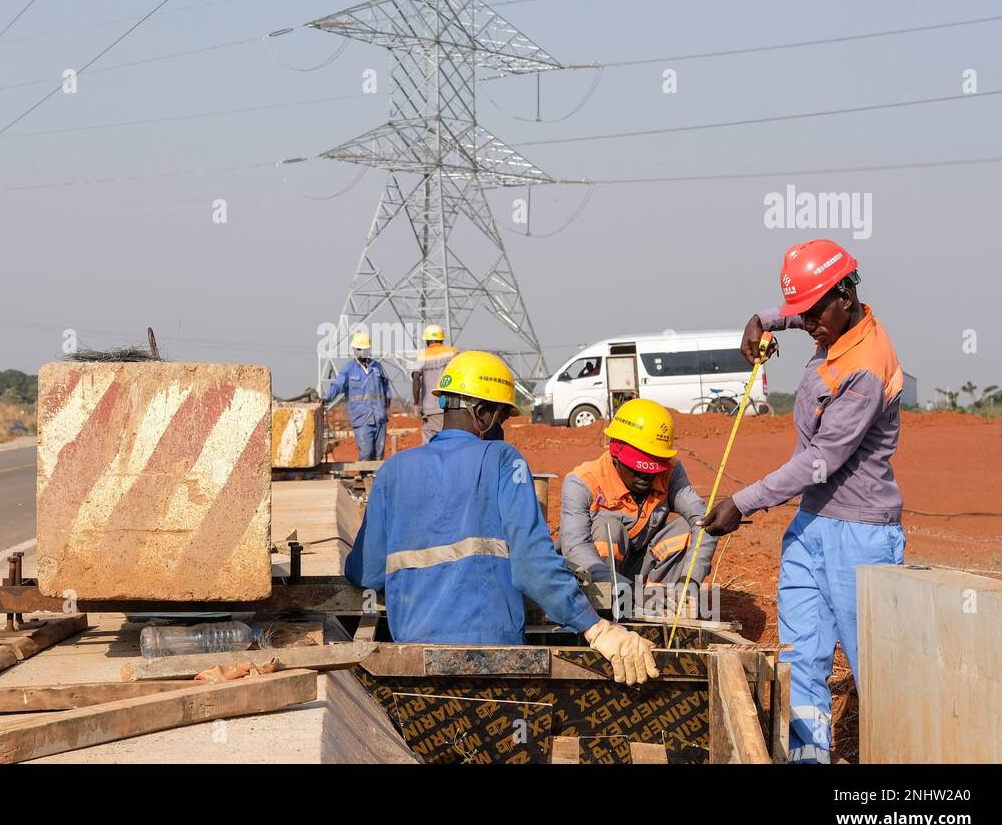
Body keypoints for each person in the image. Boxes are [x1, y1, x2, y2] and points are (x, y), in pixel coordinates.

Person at [699, 239, 905, 764]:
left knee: (874, 672)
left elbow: (819, 462)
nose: (808, 325)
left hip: (861, 536)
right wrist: (763, 319)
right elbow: (802, 311)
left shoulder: (865, 367)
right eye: (802, 314)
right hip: (812, 524)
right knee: (801, 661)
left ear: (845, 295)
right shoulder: (833, 322)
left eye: (815, 314)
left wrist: (743, 502)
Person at [345, 350, 659, 685]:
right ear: (483, 414)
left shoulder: (392, 471)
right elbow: (532, 565)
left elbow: (365, 572)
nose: (502, 430)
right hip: (493, 658)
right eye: (502, 419)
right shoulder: (502, 460)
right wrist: (595, 627)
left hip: (410, 660)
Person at [557, 399, 718, 615]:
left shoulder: (669, 472)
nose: (645, 476)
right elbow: (575, 548)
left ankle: (663, 605)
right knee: (609, 528)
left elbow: (705, 521)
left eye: (653, 468)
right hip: (598, 577)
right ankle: (608, 608)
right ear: (615, 453)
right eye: (637, 468)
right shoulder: (582, 481)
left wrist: (690, 580)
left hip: (642, 573)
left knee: (688, 528)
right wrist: (629, 589)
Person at [325, 330, 393, 461]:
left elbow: (386, 385)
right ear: (355, 349)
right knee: (367, 452)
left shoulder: (377, 367)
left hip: (379, 417)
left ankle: (376, 475)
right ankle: (365, 472)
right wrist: (326, 398)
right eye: (360, 349)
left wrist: (386, 404)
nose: (363, 352)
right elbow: (337, 385)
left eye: (365, 349)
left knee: (379, 454)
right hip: (361, 418)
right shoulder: (349, 369)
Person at [411, 324, 458, 442]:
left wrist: (416, 404)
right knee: (451, 438)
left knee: (430, 440)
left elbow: (416, 376)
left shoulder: (422, 355)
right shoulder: (452, 352)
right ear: (442, 339)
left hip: (431, 407)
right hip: (452, 405)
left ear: (427, 340)